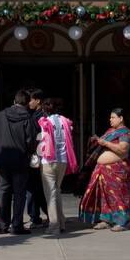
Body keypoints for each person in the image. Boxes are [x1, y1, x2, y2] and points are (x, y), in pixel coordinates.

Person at [79, 108, 130, 231]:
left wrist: (105, 143)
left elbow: (123, 150)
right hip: (102, 170)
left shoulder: (125, 133)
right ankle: (105, 219)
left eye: (113, 117)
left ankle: (122, 222)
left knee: (118, 196)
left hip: (117, 170)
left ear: (121, 119)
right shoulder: (110, 132)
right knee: (104, 197)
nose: (110, 120)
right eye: (110, 117)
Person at [0, 89, 35, 234]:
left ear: (14, 101)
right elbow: (30, 140)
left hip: (3, 159)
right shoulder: (27, 118)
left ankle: (3, 224)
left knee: (4, 191)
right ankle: (16, 225)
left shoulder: (2, 115)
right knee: (19, 194)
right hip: (20, 159)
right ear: (27, 103)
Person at [36, 98, 77, 234]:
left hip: (48, 160)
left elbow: (41, 140)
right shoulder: (65, 121)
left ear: (44, 110)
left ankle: (54, 226)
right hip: (63, 159)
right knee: (57, 191)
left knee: (51, 194)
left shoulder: (44, 122)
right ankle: (61, 222)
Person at [24, 89, 49, 230]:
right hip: (44, 156)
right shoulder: (42, 115)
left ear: (38, 101)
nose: (29, 103)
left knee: (33, 188)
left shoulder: (37, 117)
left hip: (37, 156)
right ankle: (49, 215)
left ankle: (35, 217)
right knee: (40, 188)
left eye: (31, 100)